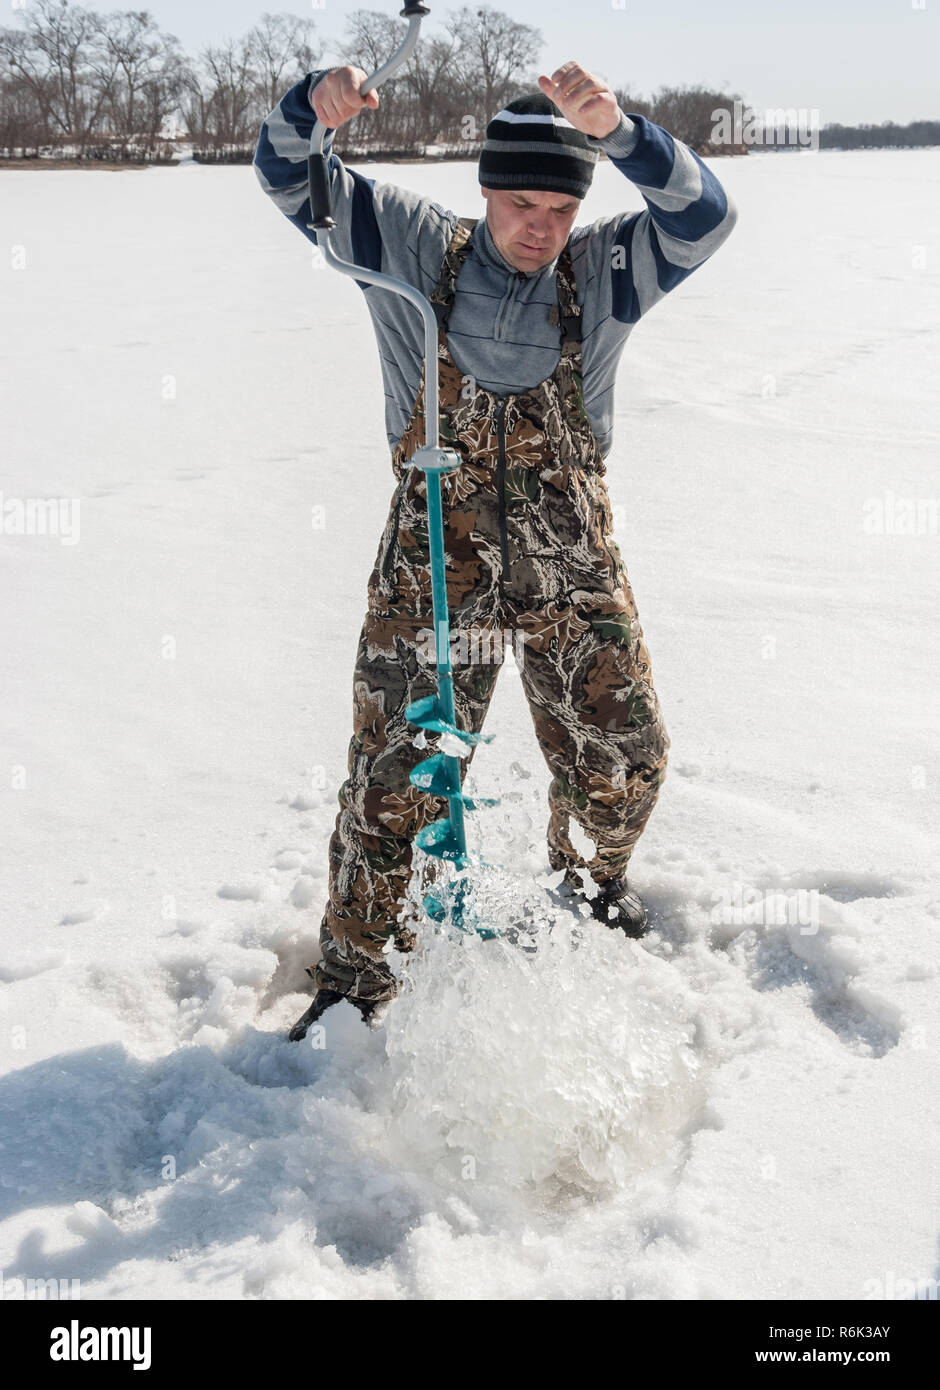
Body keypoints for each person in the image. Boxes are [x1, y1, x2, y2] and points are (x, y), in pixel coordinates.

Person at [253, 60, 737, 1036]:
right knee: (396, 774)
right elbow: (290, 178)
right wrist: (310, 110)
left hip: (571, 555)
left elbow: (704, 221)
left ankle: (590, 878)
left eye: (561, 206)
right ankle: (356, 975)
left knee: (625, 755)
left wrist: (625, 135)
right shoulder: (411, 247)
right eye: (521, 202)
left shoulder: (598, 273)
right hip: (436, 554)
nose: (540, 227)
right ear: (483, 189)